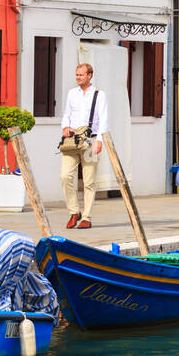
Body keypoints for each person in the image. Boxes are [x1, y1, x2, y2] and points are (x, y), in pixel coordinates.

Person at [59, 62, 107, 230]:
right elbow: (67, 114)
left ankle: (86, 216)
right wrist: (65, 127)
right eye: (77, 74)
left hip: (91, 140)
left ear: (89, 75)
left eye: (81, 74)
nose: (78, 77)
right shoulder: (72, 93)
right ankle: (74, 211)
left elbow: (103, 119)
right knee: (65, 176)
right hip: (72, 141)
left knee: (89, 181)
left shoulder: (99, 95)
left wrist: (100, 140)